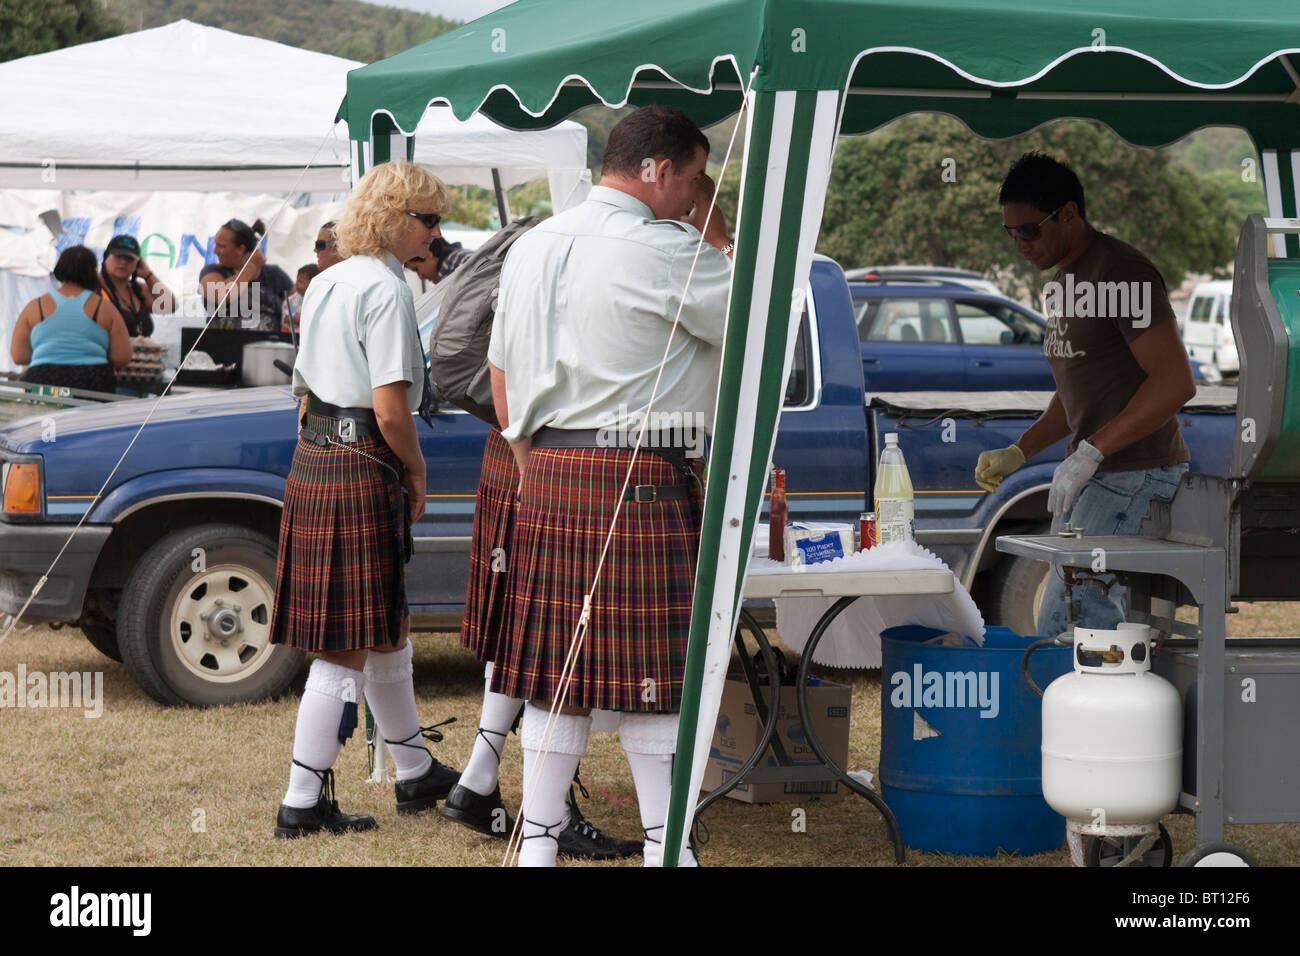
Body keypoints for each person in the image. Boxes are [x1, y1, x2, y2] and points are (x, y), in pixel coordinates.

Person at [487, 105, 732, 867]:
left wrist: (533, 463)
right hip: (640, 475)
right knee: (653, 681)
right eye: (693, 181)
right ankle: (669, 854)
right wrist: (719, 236)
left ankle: (535, 852)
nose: (695, 198)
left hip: (552, 474)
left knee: (556, 678)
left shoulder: (533, 243)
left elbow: (500, 369)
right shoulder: (671, 251)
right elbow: (765, 322)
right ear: (657, 170)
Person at [269, 161, 460, 838]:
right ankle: (300, 802)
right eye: (429, 219)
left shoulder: (328, 279)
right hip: (361, 461)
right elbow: (390, 408)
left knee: (385, 625)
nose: (435, 235)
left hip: (317, 453)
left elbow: (301, 397)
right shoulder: (384, 287)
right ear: (396, 217)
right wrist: (414, 471)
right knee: (346, 644)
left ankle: (413, 769)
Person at [975, 152, 1195, 637]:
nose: (1020, 246)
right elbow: (1077, 391)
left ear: (1068, 214)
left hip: (1137, 472)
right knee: (1073, 617)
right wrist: (1020, 450)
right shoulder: (1063, 284)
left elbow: (1176, 381)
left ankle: (1087, 712)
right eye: (1010, 233)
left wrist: (1093, 450)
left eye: (1029, 230)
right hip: (1101, 472)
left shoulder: (1122, 272)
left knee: (1069, 621)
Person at [9, 245, 131, 393]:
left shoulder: (35, 307)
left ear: (60, 268)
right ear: (93, 272)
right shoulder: (105, 308)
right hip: (93, 381)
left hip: (43, 379)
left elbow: (19, 356)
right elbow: (122, 357)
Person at [200, 218, 294, 331]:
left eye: (221, 246)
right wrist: (251, 267)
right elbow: (223, 296)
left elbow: (297, 305)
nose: (215, 251)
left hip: (268, 345)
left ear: (240, 249)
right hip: (222, 345)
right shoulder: (211, 272)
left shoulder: (273, 274)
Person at [99, 235, 176, 338]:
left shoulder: (139, 290)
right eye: (118, 256)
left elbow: (170, 306)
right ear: (105, 258)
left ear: (138, 263)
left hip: (141, 353)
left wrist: (148, 275)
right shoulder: (94, 286)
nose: (123, 262)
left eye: (129, 258)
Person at [403, 218, 472, 284]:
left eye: (416, 269)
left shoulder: (456, 262)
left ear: (427, 254)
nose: (420, 276)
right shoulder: (456, 260)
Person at [280, 263, 319, 333]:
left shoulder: (319, 300)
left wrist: (302, 320)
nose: (296, 284)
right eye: (297, 280)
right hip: (292, 337)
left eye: (300, 282)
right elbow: (285, 318)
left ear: (314, 284)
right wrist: (290, 319)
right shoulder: (291, 301)